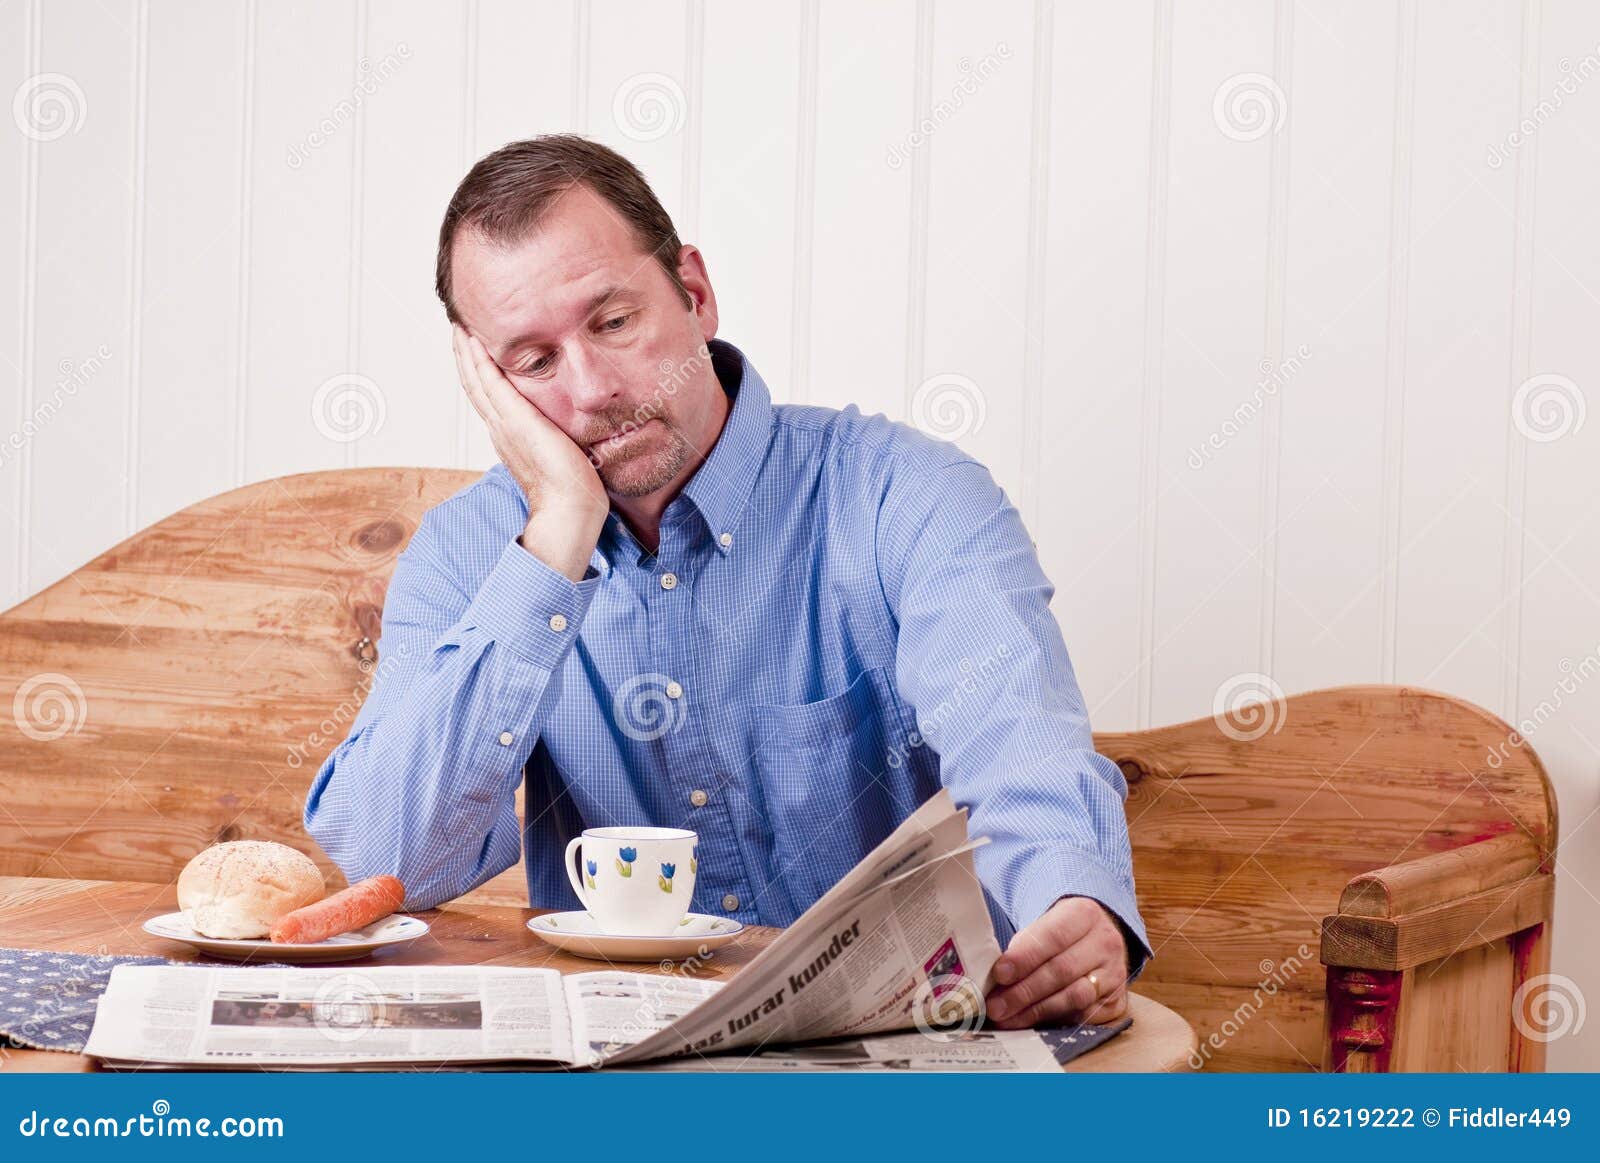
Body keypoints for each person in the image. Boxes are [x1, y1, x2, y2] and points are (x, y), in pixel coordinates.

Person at [304, 134, 1150, 1029]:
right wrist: (555, 540)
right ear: (490, 386)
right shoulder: (474, 553)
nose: (590, 392)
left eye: (614, 321)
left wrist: (1075, 901)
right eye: (535, 362)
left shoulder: (906, 496)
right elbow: (394, 859)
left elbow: (1022, 751)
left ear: (695, 294)